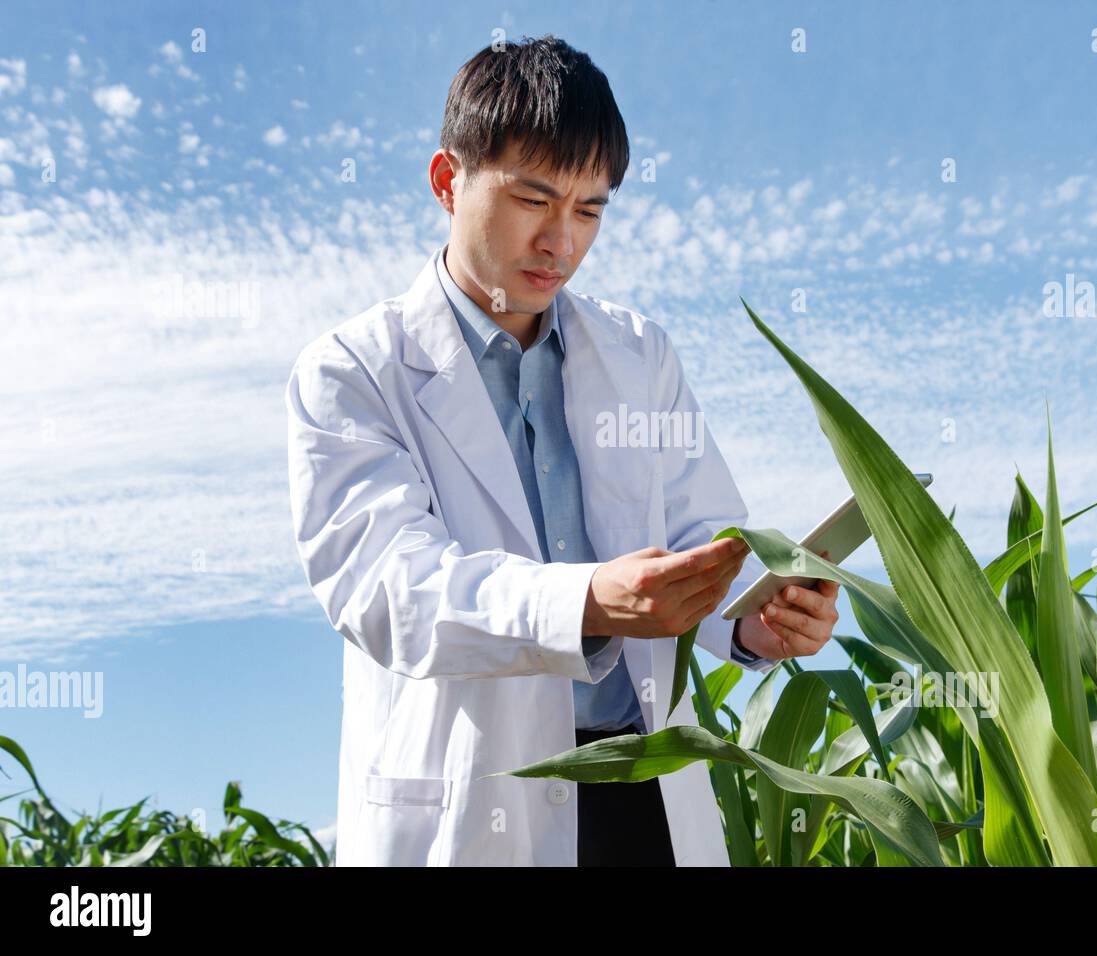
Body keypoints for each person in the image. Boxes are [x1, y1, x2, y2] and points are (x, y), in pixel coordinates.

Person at [284, 33, 839, 867]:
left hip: (646, 791)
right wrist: (584, 601)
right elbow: (390, 589)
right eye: (534, 200)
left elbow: (701, 536)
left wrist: (757, 622)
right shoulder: (352, 371)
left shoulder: (640, 353)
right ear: (448, 181)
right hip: (473, 808)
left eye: (590, 210)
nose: (562, 242)